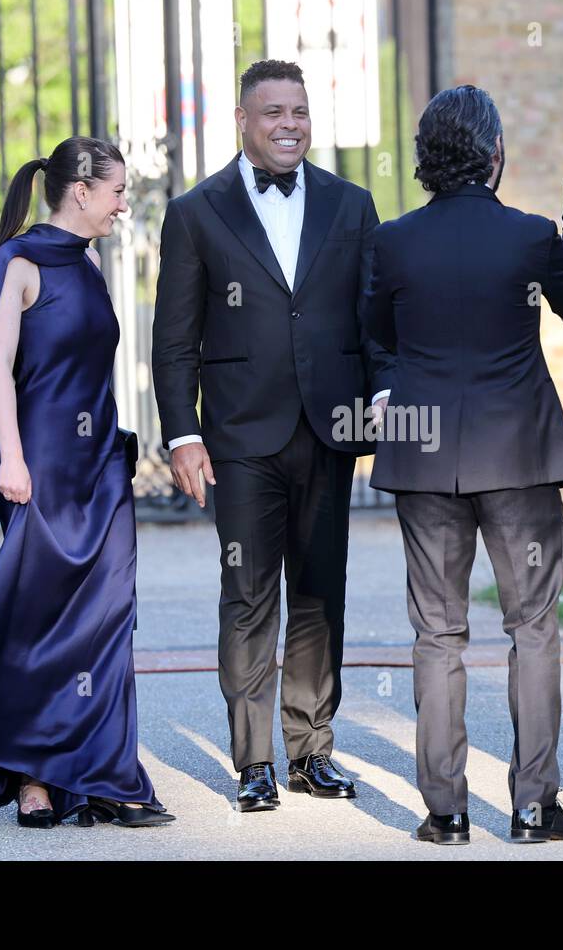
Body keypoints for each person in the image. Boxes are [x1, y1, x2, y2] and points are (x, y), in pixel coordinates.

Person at [362, 86, 563, 845]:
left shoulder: (393, 241)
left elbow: (375, 337)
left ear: (426, 159)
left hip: (424, 456)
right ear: (495, 154)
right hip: (519, 456)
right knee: (532, 628)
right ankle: (534, 808)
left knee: (437, 633)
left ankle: (446, 813)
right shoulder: (533, 236)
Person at [151, 60, 394, 813]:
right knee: (248, 596)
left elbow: (375, 315)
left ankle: (312, 749)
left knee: (321, 595)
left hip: (329, 429)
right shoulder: (196, 212)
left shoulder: (352, 206)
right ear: (243, 120)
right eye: (273, 113)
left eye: (299, 111)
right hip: (239, 438)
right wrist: (182, 436)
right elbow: (173, 340)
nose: (289, 124)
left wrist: (382, 391)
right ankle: (254, 761)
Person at [0, 137, 174, 829]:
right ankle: (32, 777)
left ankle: (104, 775)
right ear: (82, 190)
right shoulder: (19, 259)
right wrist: (13, 459)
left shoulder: (91, 263)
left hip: (99, 468)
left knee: (106, 620)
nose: (124, 204)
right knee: (37, 621)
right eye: (117, 191)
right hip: (43, 466)